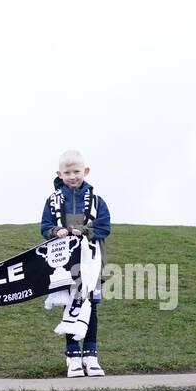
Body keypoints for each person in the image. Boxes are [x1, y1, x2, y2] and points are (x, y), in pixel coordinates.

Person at [40, 150, 112, 378]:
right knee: (70, 307)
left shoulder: (97, 201)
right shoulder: (52, 201)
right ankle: (72, 358)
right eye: (67, 172)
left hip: (91, 264)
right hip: (66, 266)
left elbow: (104, 227)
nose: (72, 176)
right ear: (59, 174)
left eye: (76, 171)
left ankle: (91, 357)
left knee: (91, 308)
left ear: (86, 171)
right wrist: (55, 231)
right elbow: (44, 226)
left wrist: (85, 231)